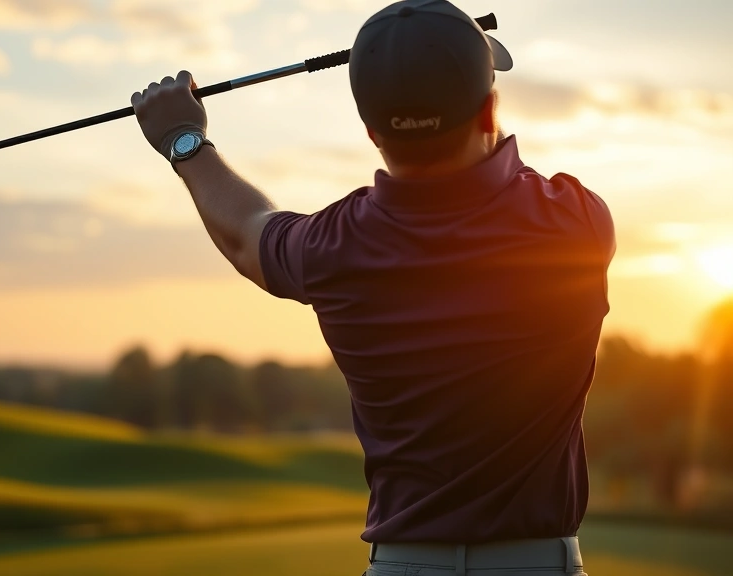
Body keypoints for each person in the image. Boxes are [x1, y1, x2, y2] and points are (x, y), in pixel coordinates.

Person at [131, 0, 614, 574]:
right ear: (489, 111)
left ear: (370, 129)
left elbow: (245, 234)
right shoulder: (573, 220)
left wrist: (183, 138)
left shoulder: (331, 245)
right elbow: (502, 172)